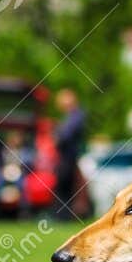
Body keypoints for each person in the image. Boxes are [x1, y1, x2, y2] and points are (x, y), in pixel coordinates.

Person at [52, 89, 86, 220]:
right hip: (67, 158)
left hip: (69, 158)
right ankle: (64, 216)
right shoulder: (70, 117)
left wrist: (56, 137)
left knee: (64, 188)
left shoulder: (75, 116)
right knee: (65, 188)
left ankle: (63, 217)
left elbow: (64, 136)